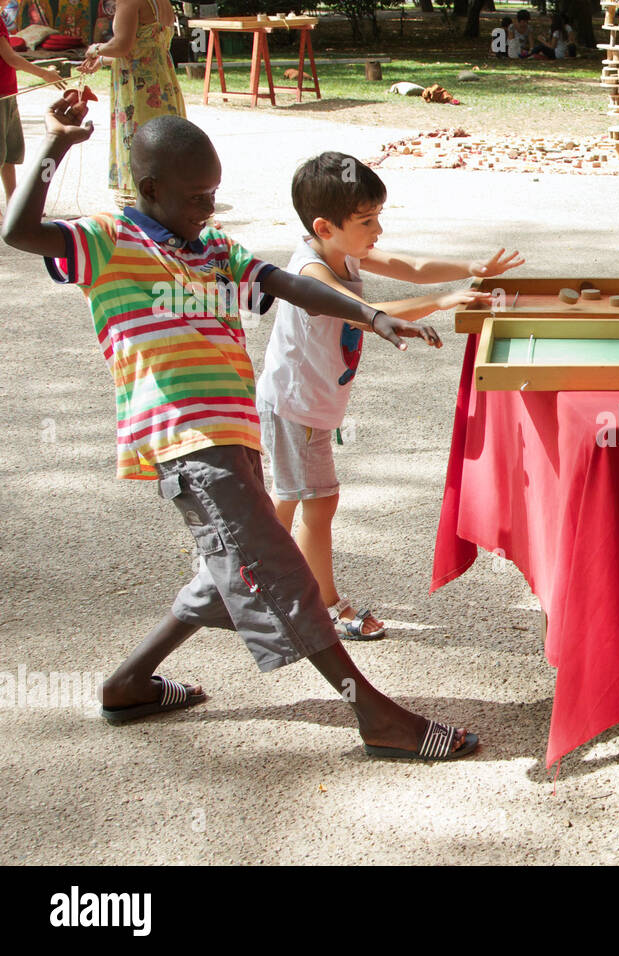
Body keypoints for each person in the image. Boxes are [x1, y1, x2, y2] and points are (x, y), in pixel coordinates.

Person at [1, 107, 478, 762]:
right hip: (183, 437)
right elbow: (18, 231)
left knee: (229, 568)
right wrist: (56, 142)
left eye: (212, 194)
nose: (207, 206)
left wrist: (372, 315)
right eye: (195, 197)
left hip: (233, 431)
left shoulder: (214, 249)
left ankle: (128, 684)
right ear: (150, 187)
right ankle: (375, 716)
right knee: (278, 570)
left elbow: (285, 284)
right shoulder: (108, 238)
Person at [258, 152, 523, 640]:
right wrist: (443, 301)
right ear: (324, 227)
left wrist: (471, 266)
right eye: (367, 220)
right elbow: (366, 310)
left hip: (312, 406)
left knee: (301, 501)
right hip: (294, 406)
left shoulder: (343, 250)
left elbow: (412, 266)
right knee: (306, 503)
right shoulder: (310, 273)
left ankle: (255, 577)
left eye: (378, 215)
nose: (378, 229)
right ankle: (307, 601)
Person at [76, 0, 185, 209]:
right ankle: (168, 200)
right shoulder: (162, 3)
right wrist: (101, 61)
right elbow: (142, 47)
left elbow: (122, 45)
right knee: (165, 142)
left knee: (142, 144)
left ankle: (145, 206)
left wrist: (95, 49)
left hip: (140, 89)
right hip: (163, 83)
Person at [0, 18, 63, 209]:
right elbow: (10, 57)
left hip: (8, 93)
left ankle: (13, 204)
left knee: (9, 153)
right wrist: (44, 74)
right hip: (1, 96)